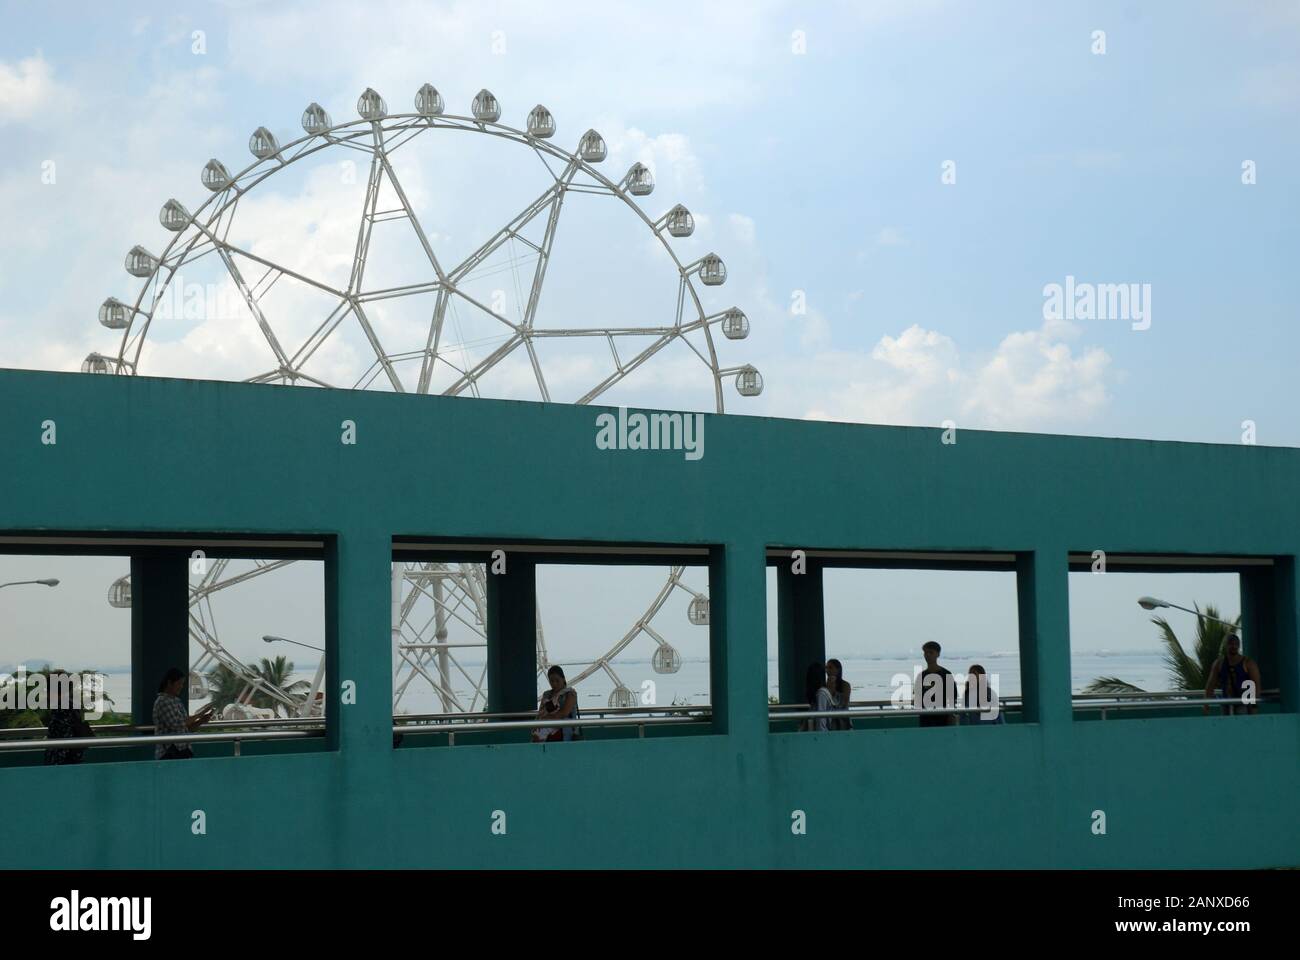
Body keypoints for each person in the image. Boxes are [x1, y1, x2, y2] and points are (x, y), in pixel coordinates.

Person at [153, 667, 215, 759]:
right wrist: (200, 714)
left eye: (182, 684)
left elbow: (187, 728)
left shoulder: (176, 701)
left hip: (182, 751)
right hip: (169, 753)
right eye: (179, 683)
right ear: (169, 683)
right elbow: (177, 725)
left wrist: (201, 721)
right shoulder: (162, 701)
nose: (181, 687)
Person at [1203, 633, 1261, 716]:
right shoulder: (1219, 663)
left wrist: (1254, 706)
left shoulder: (1248, 663)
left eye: (1236, 644)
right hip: (1226, 703)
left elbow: (1256, 685)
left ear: (1239, 646)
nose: (1233, 646)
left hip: (1243, 703)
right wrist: (1206, 704)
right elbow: (1210, 685)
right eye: (1230, 644)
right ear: (1225, 645)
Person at [532, 665, 581, 742]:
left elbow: (564, 713)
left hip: (565, 734)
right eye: (551, 681)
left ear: (563, 679)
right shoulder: (546, 694)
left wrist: (545, 719)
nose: (554, 684)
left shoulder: (570, 694)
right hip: (546, 735)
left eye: (557, 680)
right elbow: (541, 712)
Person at [914, 641, 957, 727]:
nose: (928, 655)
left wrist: (950, 716)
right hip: (925, 719)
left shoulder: (946, 674)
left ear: (938, 654)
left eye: (931, 652)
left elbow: (952, 699)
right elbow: (917, 697)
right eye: (926, 653)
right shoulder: (921, 676)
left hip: (943, 719)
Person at [801, 661, 834, 731]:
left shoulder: (821, 694)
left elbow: (821, 720)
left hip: (822, 736)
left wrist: (820, 737)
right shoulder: (821, 693)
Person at [825, 658, 852, 731]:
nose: (827, 671)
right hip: (829, 721)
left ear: (838, 670)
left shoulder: (845, 685)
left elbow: (844, 703)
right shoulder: (825, 686)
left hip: (843, 721)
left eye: (830, 668)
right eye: (826, 668)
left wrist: (833, 691)